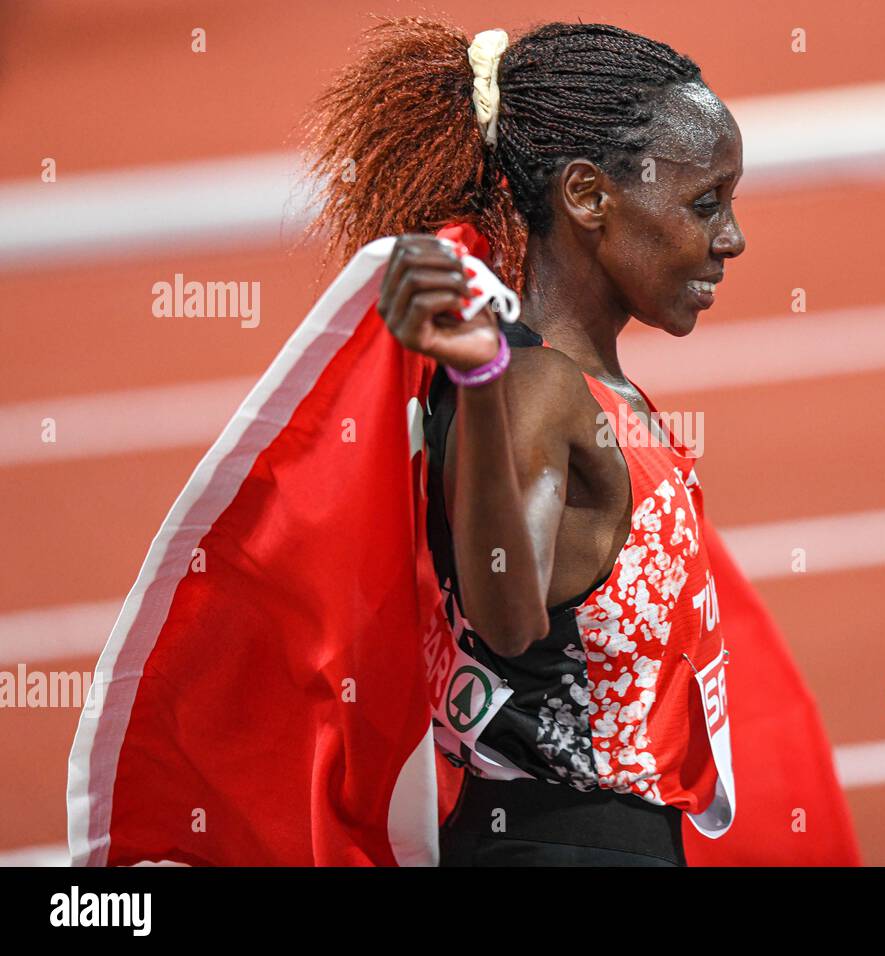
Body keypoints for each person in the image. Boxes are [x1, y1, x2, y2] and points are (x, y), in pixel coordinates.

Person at [306, 17, 745, 866]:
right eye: (705, 203)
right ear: (587, 197)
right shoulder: (533, 388)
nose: (730, 238)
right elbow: (506, 612)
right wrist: (478, 384)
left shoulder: (583, 388)